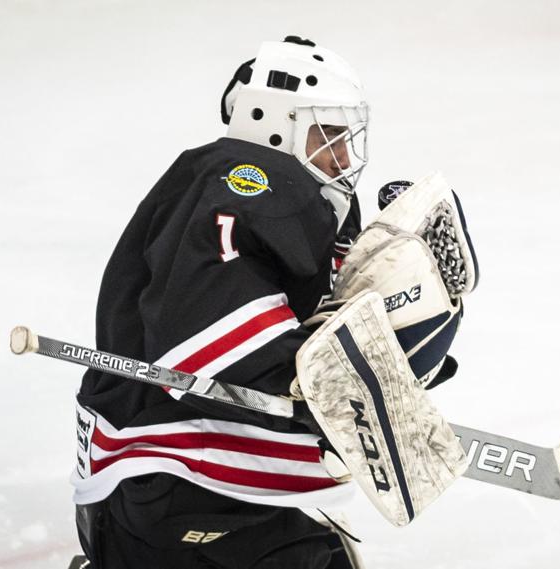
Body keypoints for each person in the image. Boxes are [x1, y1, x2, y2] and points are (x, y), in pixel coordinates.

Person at [72, 36, 370, 569]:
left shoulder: (294, 201)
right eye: (330, 138)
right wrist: (330, 381)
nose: (345, 158)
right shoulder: (242, 182)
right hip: (182, 480)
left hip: (204, 490)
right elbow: (203, 352)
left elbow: (312, 327)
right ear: (275, 122)